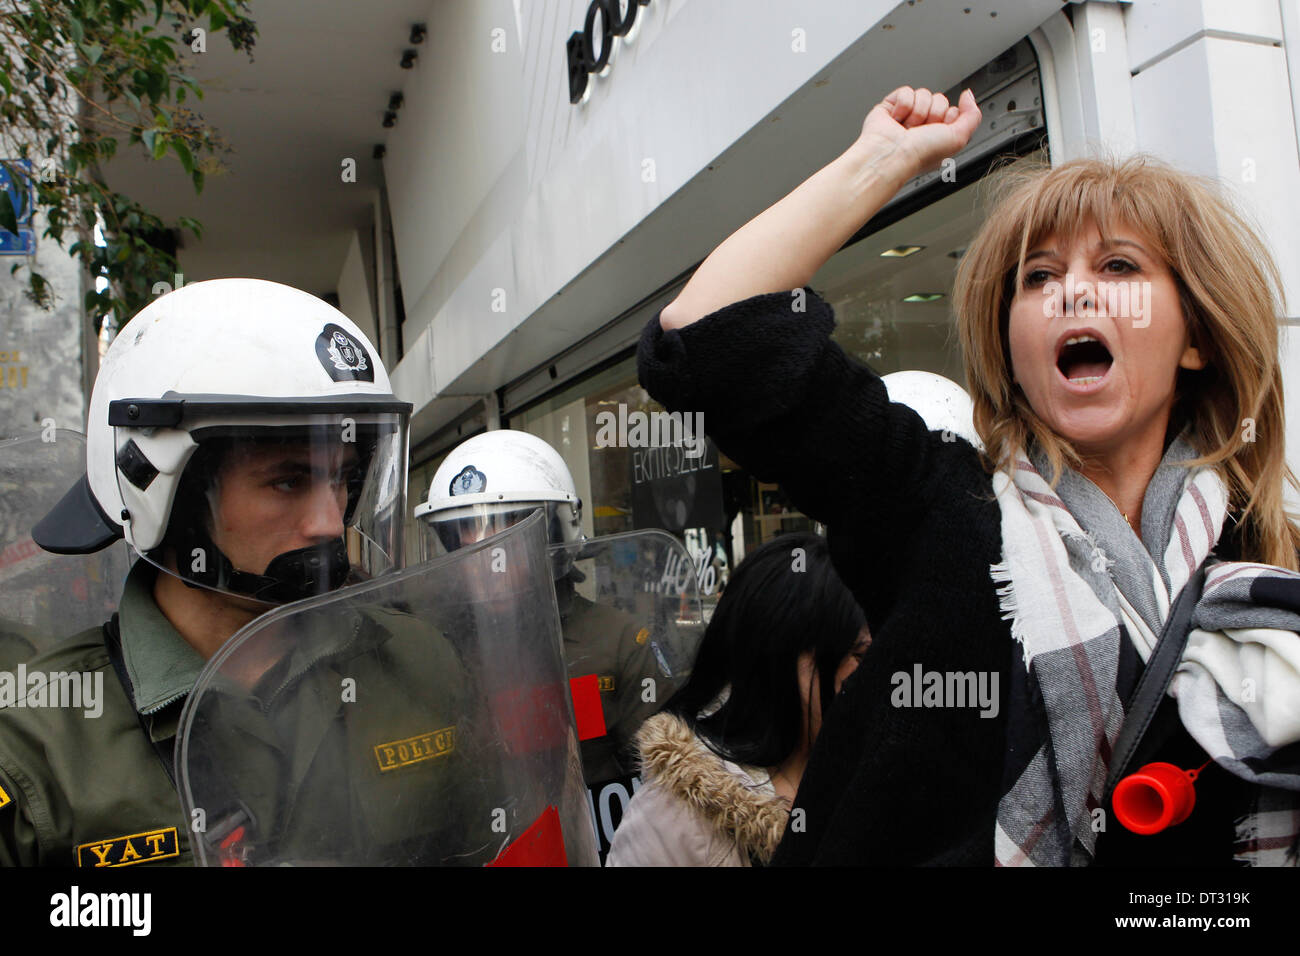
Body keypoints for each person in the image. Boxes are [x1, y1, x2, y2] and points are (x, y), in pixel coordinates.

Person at [638, 85, 1300, 866]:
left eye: (1118, 265)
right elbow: (710, 335)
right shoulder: (935, 505)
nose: (1073, 291)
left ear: (1197, 342)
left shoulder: (1267, 572)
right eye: (1038, 278)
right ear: (1014, 353)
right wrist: (882, 161)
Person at [0, 278, 431, 866]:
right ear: (159, 488)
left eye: (343, 478)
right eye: (288, 481)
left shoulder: (419, 663)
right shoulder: (35, 745)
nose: (331, 522)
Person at [415, 429, 686, 787]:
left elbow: (669, 785)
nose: (486, 556)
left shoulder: (616, 642)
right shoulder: (429, 649)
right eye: (467, 533)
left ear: (554, 537)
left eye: (506, 531)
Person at [606, 532, 869, 866]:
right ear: (787, 658)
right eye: (860, 656)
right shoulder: (677, 813)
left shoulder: (873, 771)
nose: (875, 676)